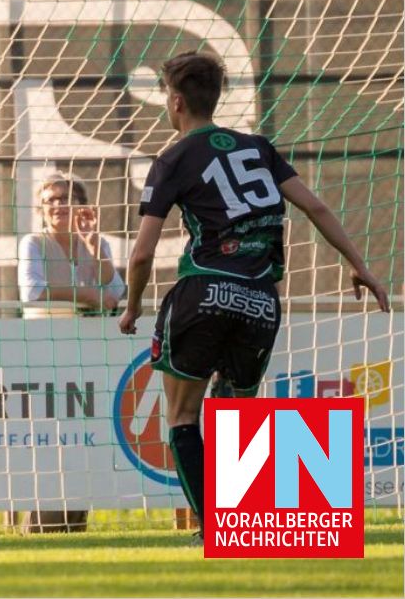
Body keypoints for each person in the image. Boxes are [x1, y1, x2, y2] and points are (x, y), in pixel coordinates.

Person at [117, 51, 390, 543]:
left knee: (182, 415)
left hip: (203, 289)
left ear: (176, 102)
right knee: (236, 414)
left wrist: (134, 306)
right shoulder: (260, 148)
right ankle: (251, 524)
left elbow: (141, 256)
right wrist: (360, 266)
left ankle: (211, 527)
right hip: (262, 300)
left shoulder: (173, 158)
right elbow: (316, 206)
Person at [19, 172, 124, 314]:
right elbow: (32, 291)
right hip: (43, 331)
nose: (58, 204)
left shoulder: (99, 243)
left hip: (92, 333)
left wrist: (94, 247)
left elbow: (116, 292)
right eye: (50, 200)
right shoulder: (33, 243)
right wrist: (88, 295)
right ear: (41, 210)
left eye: (66, 198)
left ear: (81, 204)